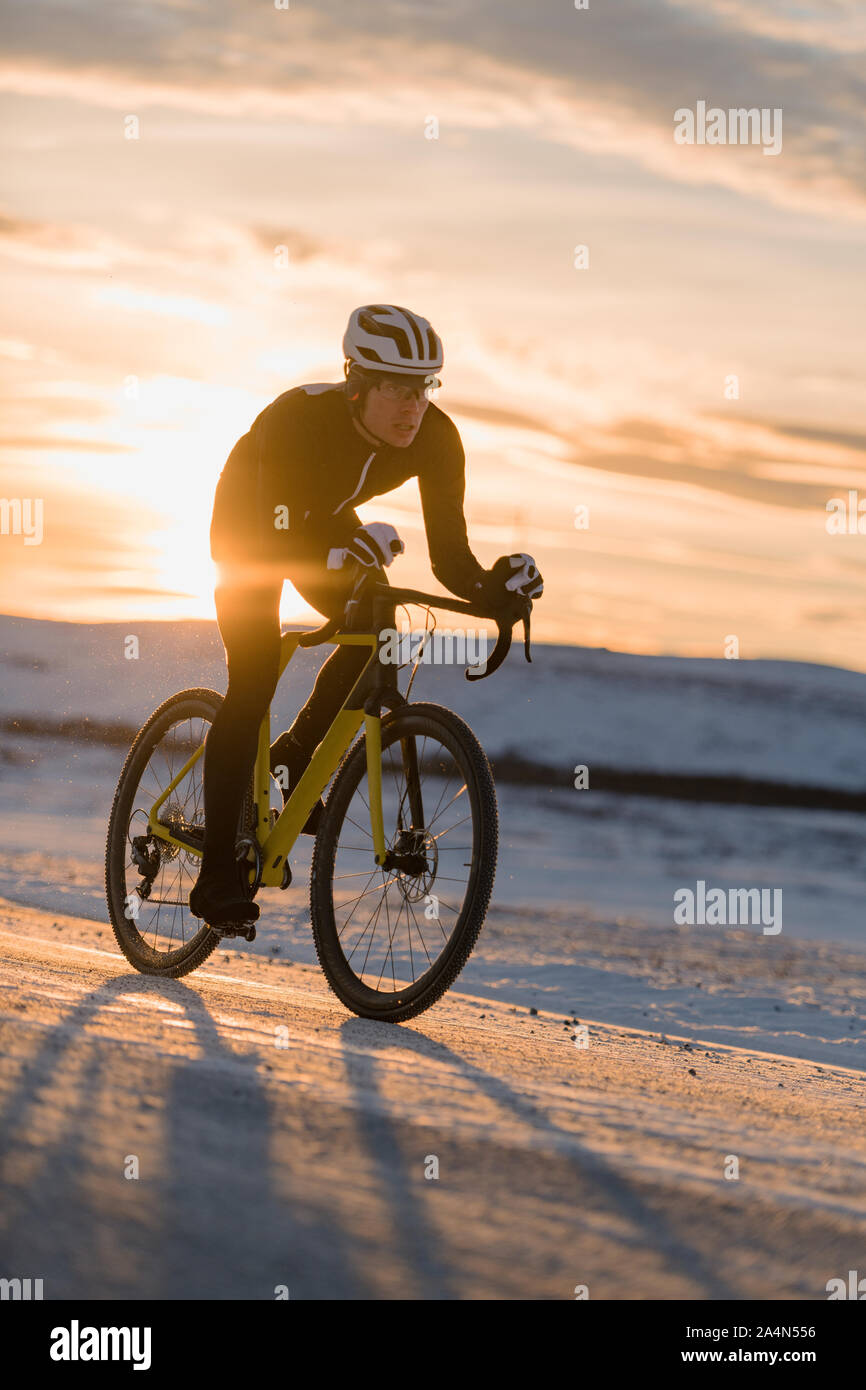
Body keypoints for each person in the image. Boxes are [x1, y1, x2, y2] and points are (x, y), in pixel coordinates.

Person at [189, 304, 543, 927]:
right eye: (395, 389)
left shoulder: (436, 438)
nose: (414, 407)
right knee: (252, 683)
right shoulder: (296, 419)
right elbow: (274, 532)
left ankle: (291, 759)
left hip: (323, 524)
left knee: (379, 630)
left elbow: (450, 560)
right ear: (356, 385)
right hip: (251, 528)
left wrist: (499, 587)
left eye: (425, 388)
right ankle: (217, 876)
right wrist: (330, 551)